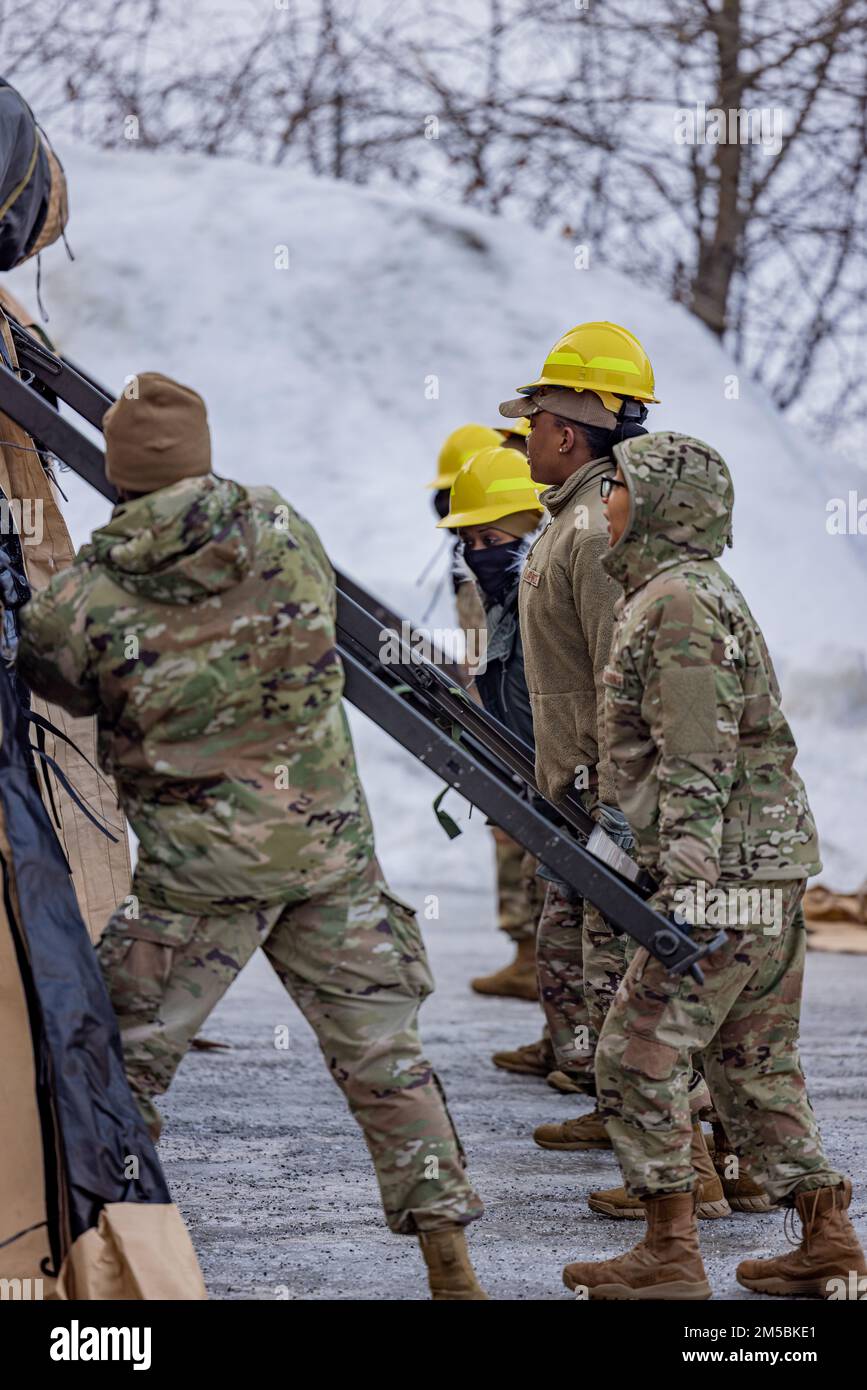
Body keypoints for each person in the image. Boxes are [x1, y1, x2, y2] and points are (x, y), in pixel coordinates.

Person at [17, 372, 487, 1301]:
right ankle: (452, 1270)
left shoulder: (87, 596)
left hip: (197, 879)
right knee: (386, 1066)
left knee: (113, 1071)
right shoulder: (279, 526)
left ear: (119, 474)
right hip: (327, 858)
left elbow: (57, 680)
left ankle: (105, 1259)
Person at [562, 431, 866, 1300]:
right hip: (758, 871)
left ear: (660, 505)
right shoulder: (687, 592)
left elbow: (697, 750)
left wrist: (685, 876)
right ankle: (826, 1240)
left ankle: (667, 1251)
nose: (605, 505)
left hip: (724, 876)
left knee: (633, 1054)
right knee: (751, 1060)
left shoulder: (678, 603)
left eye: (617, 489)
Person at [497, 322, 657, 1139]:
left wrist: (617, 796)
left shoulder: (592, 531)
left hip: (609, 789)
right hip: (584, 786)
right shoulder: (569, 522)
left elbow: (619, 672)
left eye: (531, 423)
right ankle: (618, 1110)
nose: (523, 438)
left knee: (618, 963)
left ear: (563, 432)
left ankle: (671, 1153)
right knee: (594, 957)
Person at [429, 423, 542, 1000]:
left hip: (523, 727)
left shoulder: (521, 560)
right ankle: (534, 956)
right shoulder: (488, 553)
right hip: (508, 714)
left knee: (522, 837)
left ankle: (532, 954)